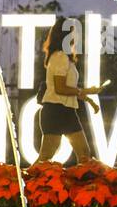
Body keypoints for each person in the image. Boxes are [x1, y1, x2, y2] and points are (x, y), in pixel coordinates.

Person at [37, 20, 102, 163]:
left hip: (64, 110)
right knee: (46, 156)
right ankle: (20, 177)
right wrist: (87, 91)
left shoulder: (63, 57)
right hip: (57, 110)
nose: (75, 36)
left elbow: (68, 89)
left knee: (83, 154)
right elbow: (60, 88)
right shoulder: (60, 57)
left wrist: (89, 99)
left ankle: (22, 175)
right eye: (73, 32)